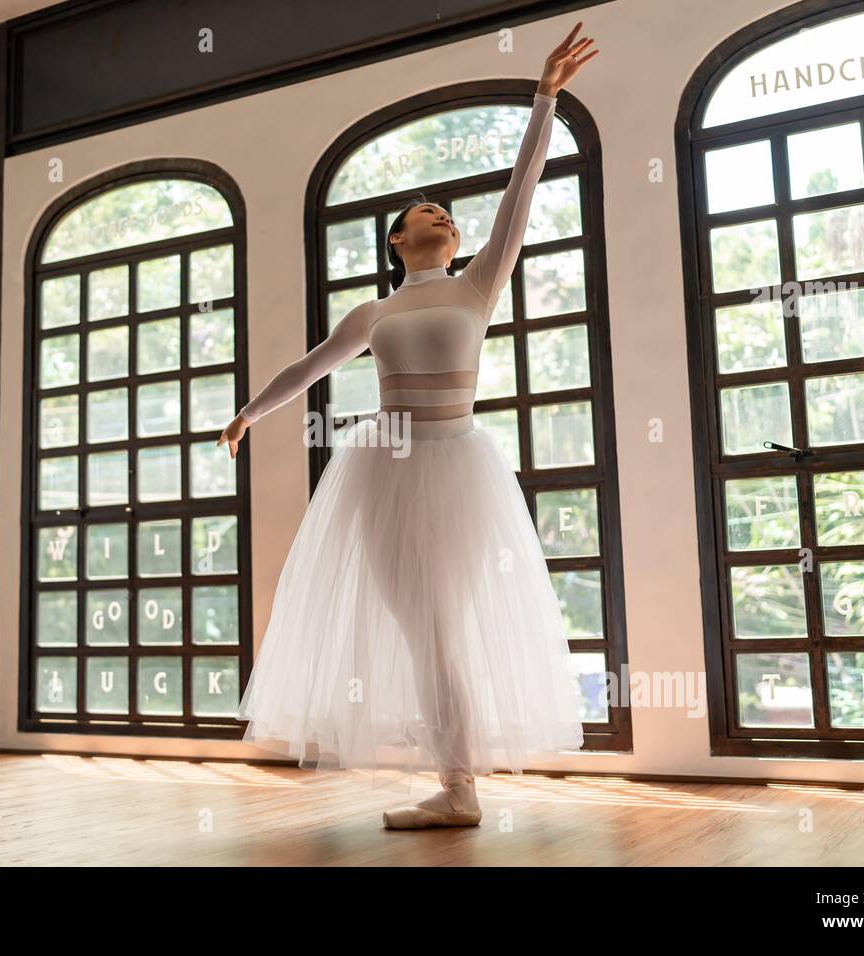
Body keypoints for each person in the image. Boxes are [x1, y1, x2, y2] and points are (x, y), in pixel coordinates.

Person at [218, 23, 600, 829]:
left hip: (458, 470)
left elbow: (523, 190)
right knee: (424, 633)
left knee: (443, 633)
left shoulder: (478, 285)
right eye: (427, 211)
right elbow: (311, 367)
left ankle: (458, 788)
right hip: (383, 470)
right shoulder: (376, 310)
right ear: (398, 240)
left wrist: (545, 95)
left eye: (450, 215)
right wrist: (250, 413)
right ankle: (455, 786)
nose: (444, 216)